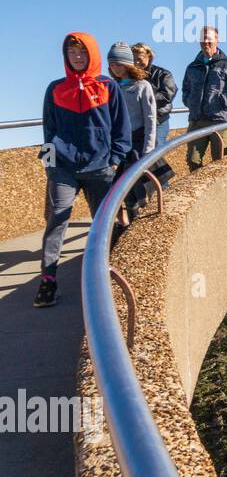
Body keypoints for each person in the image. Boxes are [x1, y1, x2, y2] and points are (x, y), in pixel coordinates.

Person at [35, 33, 132, 308]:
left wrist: (115, 159)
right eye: (71, 52)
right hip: (63, 169)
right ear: (65, 56)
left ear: (91, 54)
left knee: (102, 224)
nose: (77, 57)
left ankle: (107, 276)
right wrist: (50, 165)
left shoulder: (107, 87)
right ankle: (48, 280)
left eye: (82, 52)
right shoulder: (55, 88)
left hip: (100, 166)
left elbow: (120, 128)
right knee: (57, 219)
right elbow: (48, 130)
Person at [181, 26, 227, 172]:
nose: (206, 42)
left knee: (219, 161)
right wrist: (190, 102)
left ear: (217, 40)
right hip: (197, 120)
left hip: (220, 120)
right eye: (203, 38)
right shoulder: (192, 67)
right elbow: (186, 89)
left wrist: (222, 100)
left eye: (209, 38)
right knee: (192, 159)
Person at [107, 42, 159, 221]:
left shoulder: (142, 86)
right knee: (124, 193)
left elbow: (151, 119)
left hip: (138, 142)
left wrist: (148, 149)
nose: (116, 68)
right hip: (119, 145)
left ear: (128, 64)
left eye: (119, 63)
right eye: (112, 64)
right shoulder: (111, 87)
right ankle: (127, 228)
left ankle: (143, 227)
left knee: (141, 190)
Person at [131, 43, 177, 144]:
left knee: (155, 151)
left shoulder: (163, 74)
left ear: (149, 57)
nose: (136, 62)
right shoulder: (128, 76)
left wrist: (144, 100)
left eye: (140, 58)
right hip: (136, 121)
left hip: (158, 120)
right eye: (133, 59)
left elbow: (168, 94)